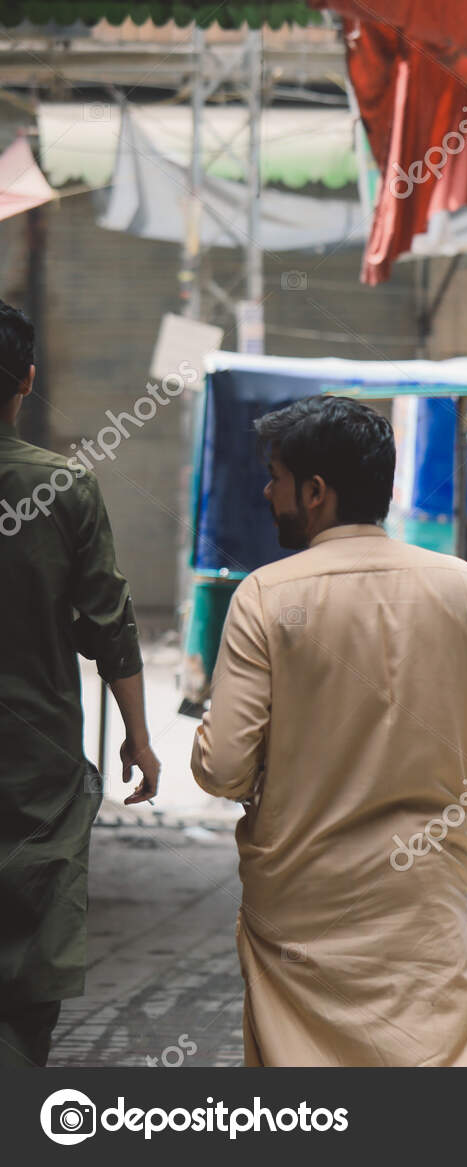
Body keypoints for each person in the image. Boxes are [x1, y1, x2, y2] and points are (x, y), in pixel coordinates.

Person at [191, 395, 467, 1066]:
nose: (268, 493)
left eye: (275, 477)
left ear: (316, 491)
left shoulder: (265, 596)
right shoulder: (465, 589)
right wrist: (458, 765)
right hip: (422, 902)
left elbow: (223, 768)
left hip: (300, 908)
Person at [0, 300, 158, 1067]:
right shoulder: (64, 487)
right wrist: (140, 739)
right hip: (38, 769)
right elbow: (110, 627)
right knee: (33, 963)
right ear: (27, 378)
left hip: (42, 762)